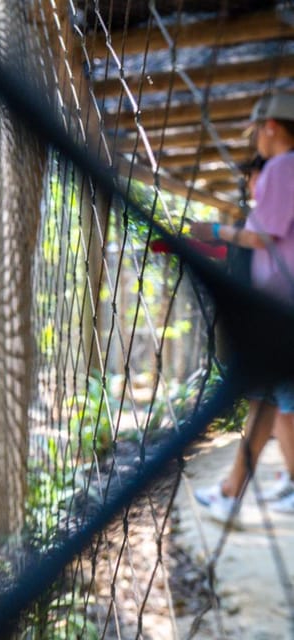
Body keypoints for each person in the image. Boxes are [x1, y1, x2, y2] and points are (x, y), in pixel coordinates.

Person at [191, 92, 294, 522]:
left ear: (271, 126)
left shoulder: (282, 167)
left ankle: (235, 493)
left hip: (283, 306)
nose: (256, 144)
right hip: (279, 305)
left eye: (256, 134)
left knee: (274, 400)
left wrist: (212, 228)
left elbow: (260, 236)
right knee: (274, 401)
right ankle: (232, 493)